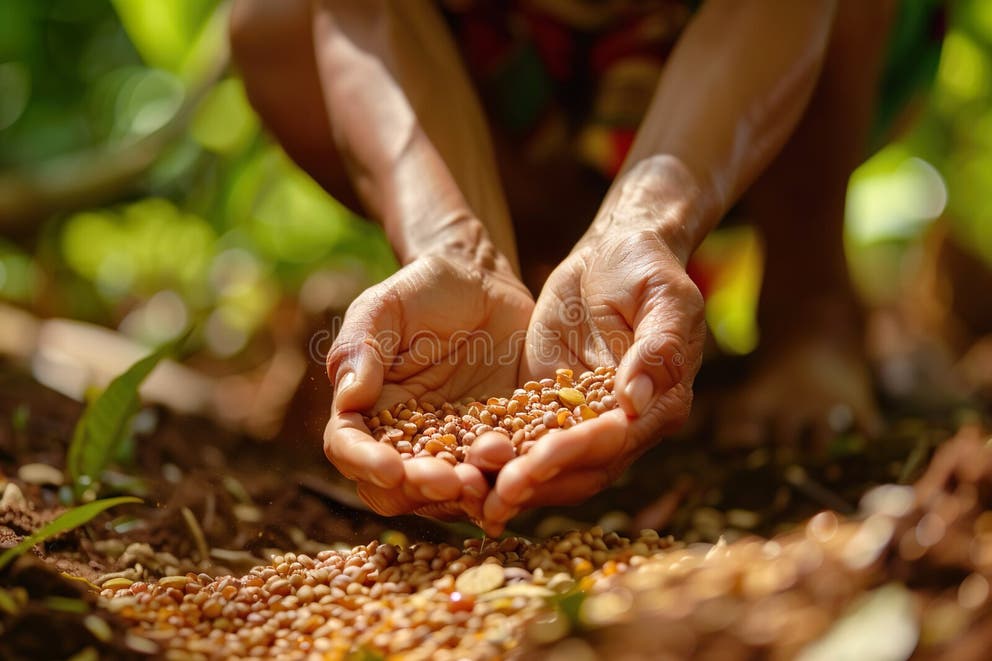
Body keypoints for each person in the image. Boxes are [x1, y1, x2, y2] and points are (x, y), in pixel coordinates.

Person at [229, 0, 932, 535]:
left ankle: (812, 307)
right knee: (274, 20)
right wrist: (453, 246)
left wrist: (647, 220)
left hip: (721, 45)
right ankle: (529, 267)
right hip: (511, 62)